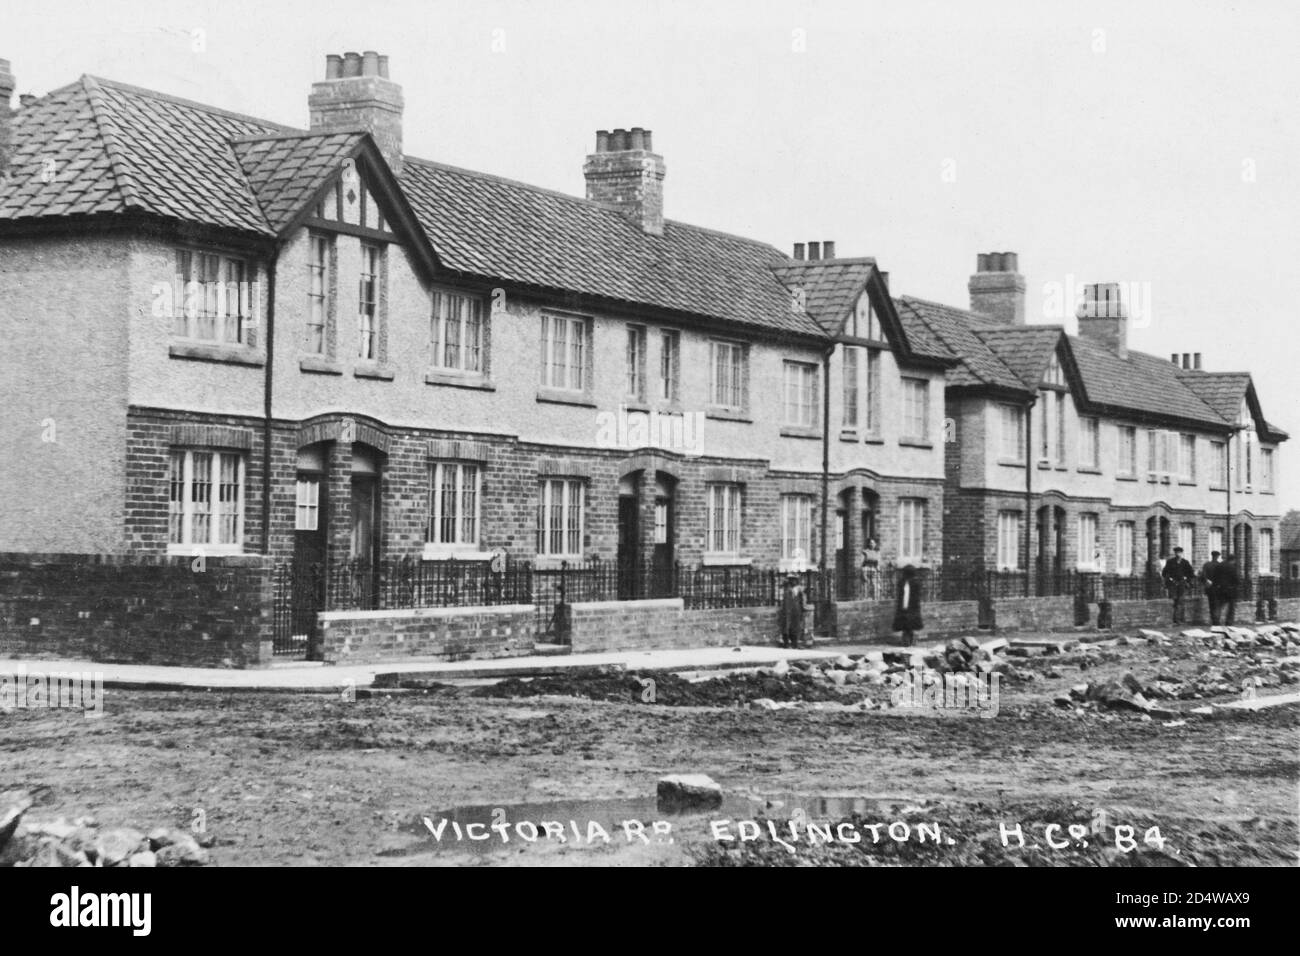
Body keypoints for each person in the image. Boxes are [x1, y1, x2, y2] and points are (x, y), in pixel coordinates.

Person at [1160, 546, 1195, 624]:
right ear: (1174, 553)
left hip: (1182, 583)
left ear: (1182, 553)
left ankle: (1180, 619)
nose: (1178, 554)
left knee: (1181, 601)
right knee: (1174, 600)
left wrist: (1186, 579)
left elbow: (1191, 573)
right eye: (1176, 552)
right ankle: (1175, 619)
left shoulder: (1185, 562)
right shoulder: (1170, 562)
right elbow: (1164, 573)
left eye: (1179, 552)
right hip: (1173, 584)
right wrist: (1169, 579)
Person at [892, 565, 923, 646]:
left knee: (910, 626)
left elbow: (916, 597)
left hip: (911, 607)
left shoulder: (915, 583)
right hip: (904, 607)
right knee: (905, 626)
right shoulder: (902, 582)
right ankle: (907, 641)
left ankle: (909, 641)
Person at [778, 574, 807, 648]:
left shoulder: (798, 590)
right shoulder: (787, 590)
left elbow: (802, 600)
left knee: (795, 627)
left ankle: (795, 643)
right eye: (792, 580)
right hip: (788, 611)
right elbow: (785, 602)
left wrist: (802, 608)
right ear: (789, 581)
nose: (793, 581)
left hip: (796, 611)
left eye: (795, 580)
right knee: (787, 627)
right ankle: (786, 643)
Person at [1200, 550, 1223, 625]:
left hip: (1210, 587)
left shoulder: (1207, 565)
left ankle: (1213, 619)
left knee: (1212, 604)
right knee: (1218, 604)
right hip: (1218, 587)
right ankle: (1216, 620)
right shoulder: (1220, 565)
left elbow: (1203, 576)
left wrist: (1207, 581)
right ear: (1217, 556)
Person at [1217, 554, 1241, 625]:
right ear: (1233, 560)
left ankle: (1217, 621)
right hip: (1230, 590)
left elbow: (1215, 576)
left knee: (1220, 606)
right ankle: (1229, 622)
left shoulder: (1219, 565)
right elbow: (1236, 579)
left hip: (1220, 588)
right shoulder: (1232, 567)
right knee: (1231, 607)